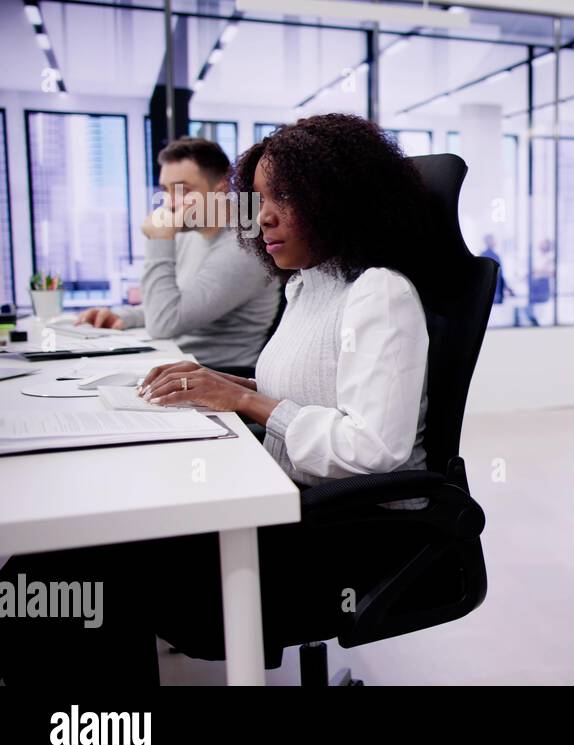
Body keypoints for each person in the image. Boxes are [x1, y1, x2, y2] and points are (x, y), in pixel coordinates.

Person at [0, 114, 437, 684]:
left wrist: (249, 403)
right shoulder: (310, 283)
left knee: (85, 572)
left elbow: (371, 448)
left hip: (351, 532)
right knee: (58, 563)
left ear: (339, 196)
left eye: (286, 196)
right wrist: (227, 386)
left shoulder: (379, 292)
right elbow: (310, 392)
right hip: (296, 502)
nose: (264, 217)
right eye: (258, 200)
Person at [76, 137, 281, 371]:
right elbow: (171, 307)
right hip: (175, 363)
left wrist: (159, 239)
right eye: (165, 190)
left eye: (183, 190)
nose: (170, 203)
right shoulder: (190, 232)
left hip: (218, 376)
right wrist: (119, 317)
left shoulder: (245, 248)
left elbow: (164, 322)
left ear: (222, 188)